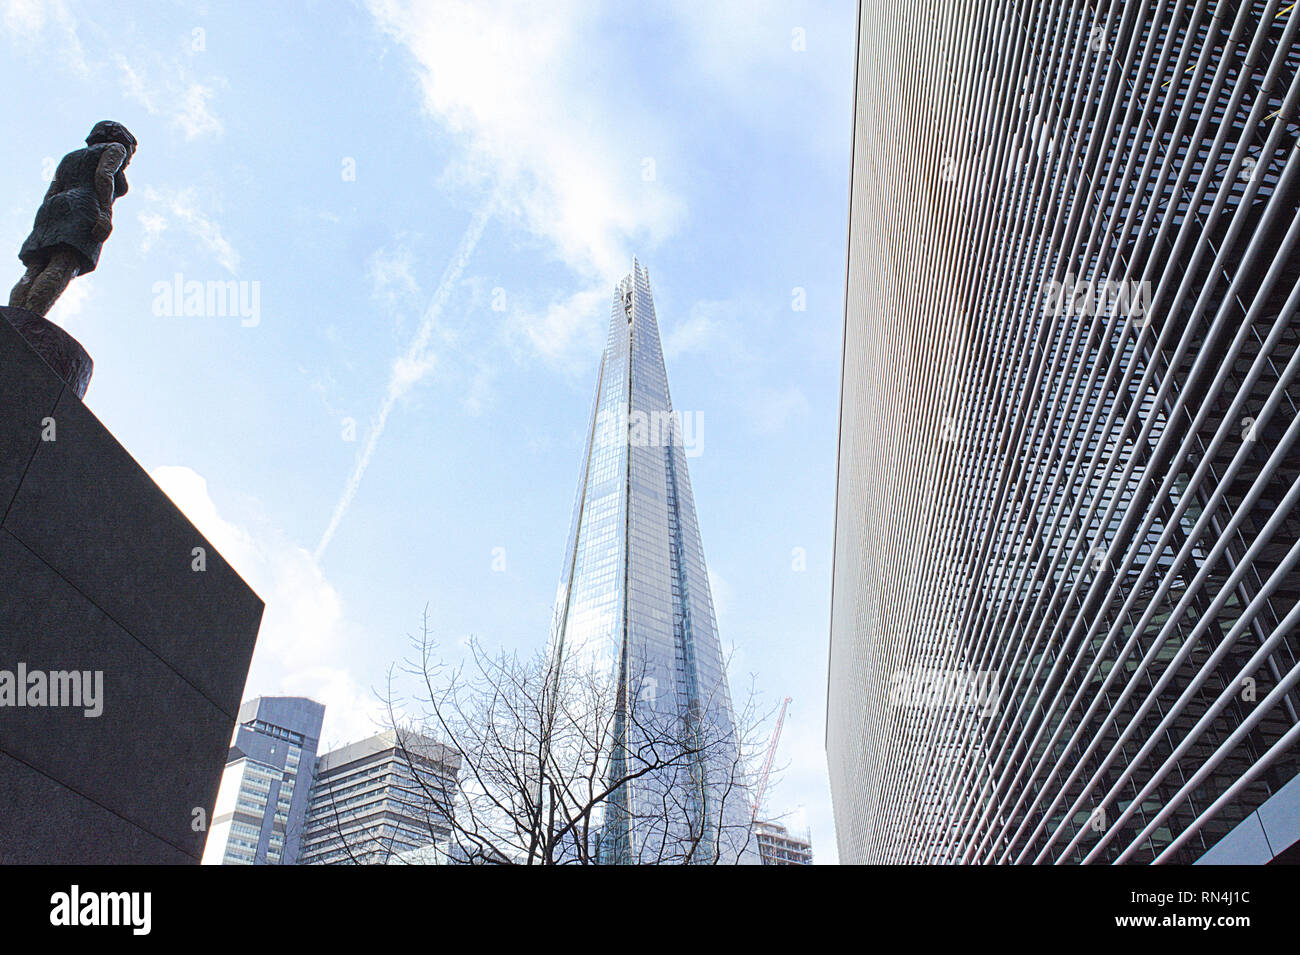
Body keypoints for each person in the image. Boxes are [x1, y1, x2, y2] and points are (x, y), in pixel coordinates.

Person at [9, 121, 137, 317]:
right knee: (65, 262)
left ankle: (13, 317)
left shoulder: (68, 157)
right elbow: (104, 174)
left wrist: (44, 219)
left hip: (51, 208)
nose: (129, 160)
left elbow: (53, 188)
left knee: (35, 267)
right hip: (84, 206)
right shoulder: (115, 148)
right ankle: (31, 319)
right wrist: (105, 212)